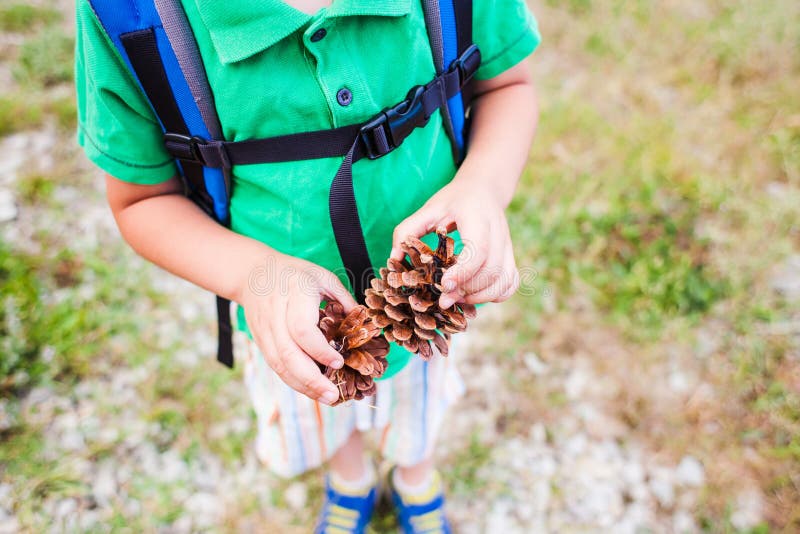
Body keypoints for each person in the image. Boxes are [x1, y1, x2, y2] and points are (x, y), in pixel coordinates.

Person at [75, 0, 540, 531]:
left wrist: (483, 186)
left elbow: (508, 84)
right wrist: (252, 275)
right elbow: (140, 200)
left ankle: (416, 476)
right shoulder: (127, 16)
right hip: (289, 326)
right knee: (324, 405)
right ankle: (350, 479)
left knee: (420, 401)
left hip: (435, 296)